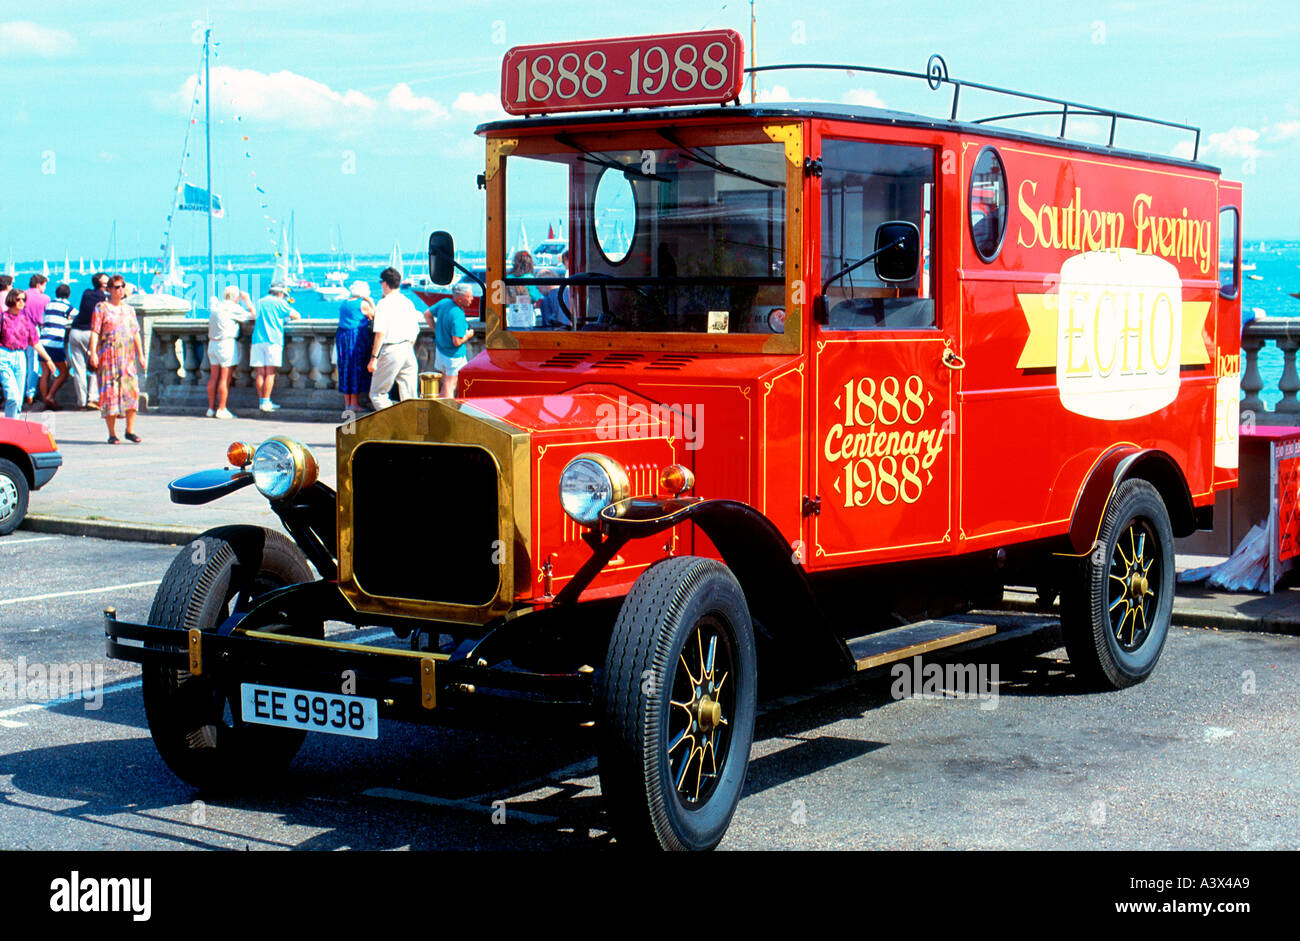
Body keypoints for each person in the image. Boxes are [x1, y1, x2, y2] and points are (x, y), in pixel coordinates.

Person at [89, 275, 145, 444]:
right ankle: (112, 433)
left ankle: (130, 430)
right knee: (110, 393)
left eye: (122, 286)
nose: (120, 290)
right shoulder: (101, 308)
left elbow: (135, 333)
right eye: (116, 287)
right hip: (109, 356)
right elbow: (95, 332)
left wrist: (141, 355)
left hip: (127, 357)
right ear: (110, 290)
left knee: (131, 391)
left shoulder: (129, 310)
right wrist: (93, 353)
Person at [367, 267, 419, 409]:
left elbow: (380, 332)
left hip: (392, 348)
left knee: (377, 393)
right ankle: (412, 426)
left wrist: (373, 358)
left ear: (384, 283)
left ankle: (394, 424)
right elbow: (415, 330)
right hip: (408, 348)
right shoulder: (408, 302)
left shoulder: (384, 303)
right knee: (410, 395)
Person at [0, 289, 57, 419]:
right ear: (11, 299)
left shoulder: (26, 321)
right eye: (18, 299)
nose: (21, 302)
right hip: (3, 356)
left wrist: (48, 359)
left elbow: (35, 342)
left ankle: (13, 426)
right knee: (12, 396)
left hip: (20, 357)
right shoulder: (2, 317)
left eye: (23, 300)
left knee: (19, 399)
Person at [206, 284, 254, 419]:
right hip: (226, 344)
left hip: (212, 344)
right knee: (225, 378)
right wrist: (248, 300)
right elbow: (253, 315)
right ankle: (222, 408)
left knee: (213, 377)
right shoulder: (233, 308)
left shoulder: (216, 308)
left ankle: (210, 408)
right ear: (236, 297)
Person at [250, 281, 299, 412]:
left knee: (260, 373)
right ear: (280, 293)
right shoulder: (280, 303)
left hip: (257, 340)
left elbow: (253, 316)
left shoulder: (259, 302)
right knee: (270, 373)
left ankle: (262, 401)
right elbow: (296, 315)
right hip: (273, 340)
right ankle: (266, 402)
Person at [424, 282, 475, 397]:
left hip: (441, 350)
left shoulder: (444, 303)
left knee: (446, 381)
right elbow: (457, 341)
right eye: (469, 296)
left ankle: (441, 407)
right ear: (460, 298)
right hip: (453, 355)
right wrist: (468, 335)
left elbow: (427, 314)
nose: (472, 299)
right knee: (450, 384)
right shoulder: (458, 315)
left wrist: (436, 330)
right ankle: (447, 410)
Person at [336, 280, 375, 417]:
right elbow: (374, 315)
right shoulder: (362, 304)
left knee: (346, 369)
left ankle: (348, 403)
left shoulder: (344, 303)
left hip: (343, 337)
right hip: (356, 338)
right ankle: (355, 404)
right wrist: (370, 301)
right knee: (356, 370)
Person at [70, 272, 107, 409]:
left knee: (79, 370)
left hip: (75, 332)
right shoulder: (103, 300)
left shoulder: (86, 293)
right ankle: (93, 397)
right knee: (95, 365)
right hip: (90, 334)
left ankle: (81, 401)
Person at [38, 283, 76, 408]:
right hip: (55, 342)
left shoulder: (50, 304)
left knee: (45, 373)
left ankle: (46, 402)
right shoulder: (66, 305)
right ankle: (50, 396)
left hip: (43, 341)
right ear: (68, 294)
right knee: (64, 372)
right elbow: (77, 315)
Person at [23, 275, 50, 405]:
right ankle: (30, 394)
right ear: (39, 285)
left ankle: (19, 392)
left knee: (20, 363)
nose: (45, 288)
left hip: (17, 329)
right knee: (33, 363)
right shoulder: (45, 298)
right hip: (32, 330)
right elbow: (46, 317)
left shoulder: (22, 295)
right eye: (44, 285)